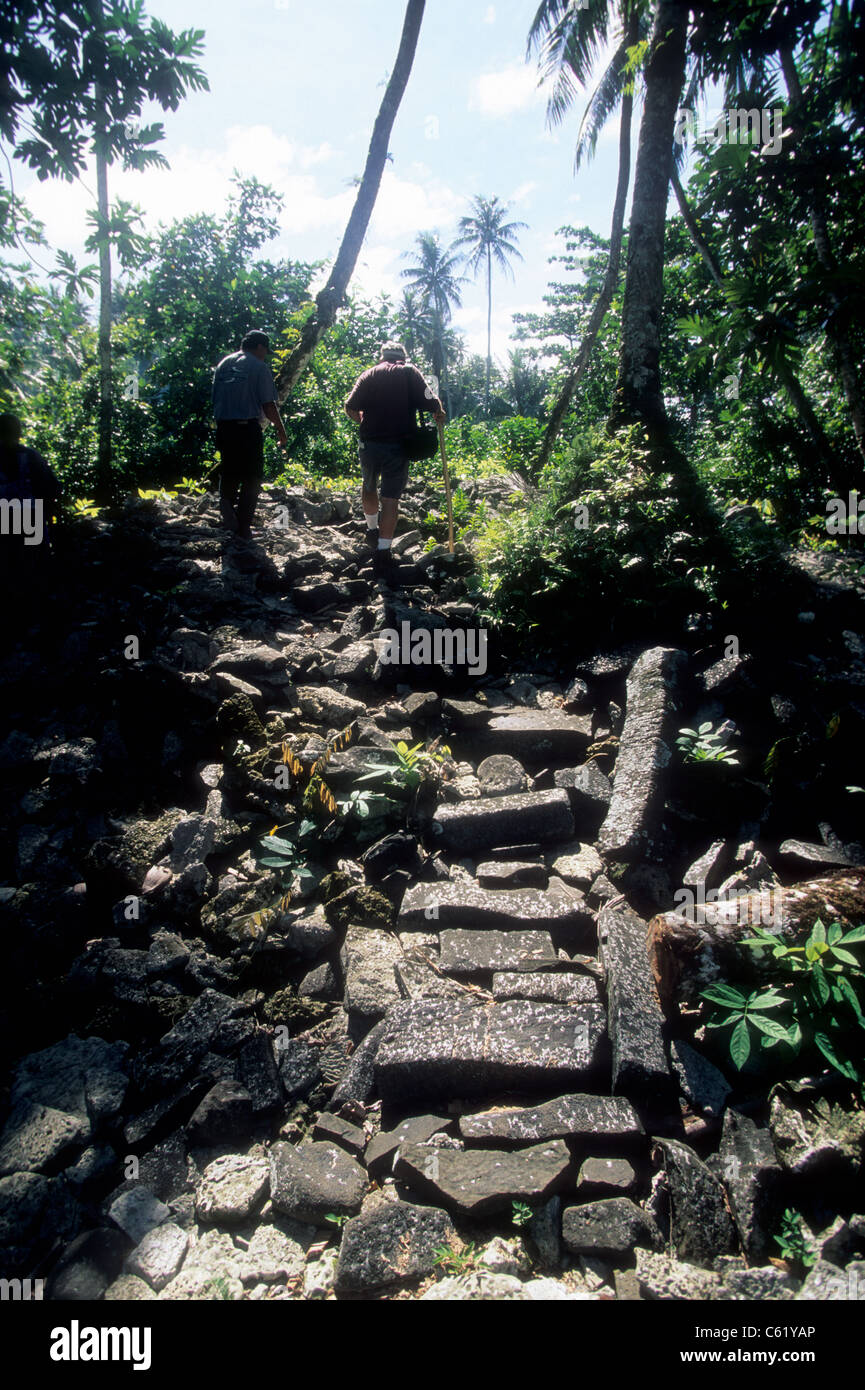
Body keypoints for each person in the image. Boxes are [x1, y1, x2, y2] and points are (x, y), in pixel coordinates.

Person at [344, 341, 445, 580]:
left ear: (382, 357)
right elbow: (433, 403)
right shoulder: (409, 372)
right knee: (390, 499)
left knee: (368, 486)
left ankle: (371, 528)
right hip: (398, 445)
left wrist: (362, 421)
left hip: (369, 442)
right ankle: (382, 552)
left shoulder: (368, 375)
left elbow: (350, 406)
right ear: (403, 357)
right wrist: (438, 414)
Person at [212, 330, 288, 539]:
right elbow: (268, 405)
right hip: (246, 429)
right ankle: (243, 527)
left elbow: (215, 398)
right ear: (260, 347)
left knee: (229, 472)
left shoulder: (223, 364)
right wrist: (281, 431)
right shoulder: (258, 366)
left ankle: (228, 517)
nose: (265, 355)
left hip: (224, 427)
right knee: (251, 477)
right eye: (265, 351)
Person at [0, 412, 63, 641]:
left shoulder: (29, 457)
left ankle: (17, 626)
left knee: (11, 572)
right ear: (18, 433)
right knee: (34, 570)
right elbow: (53, 489)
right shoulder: (30, 456)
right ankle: (34, 625)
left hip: (8, 523)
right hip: (30, 519)